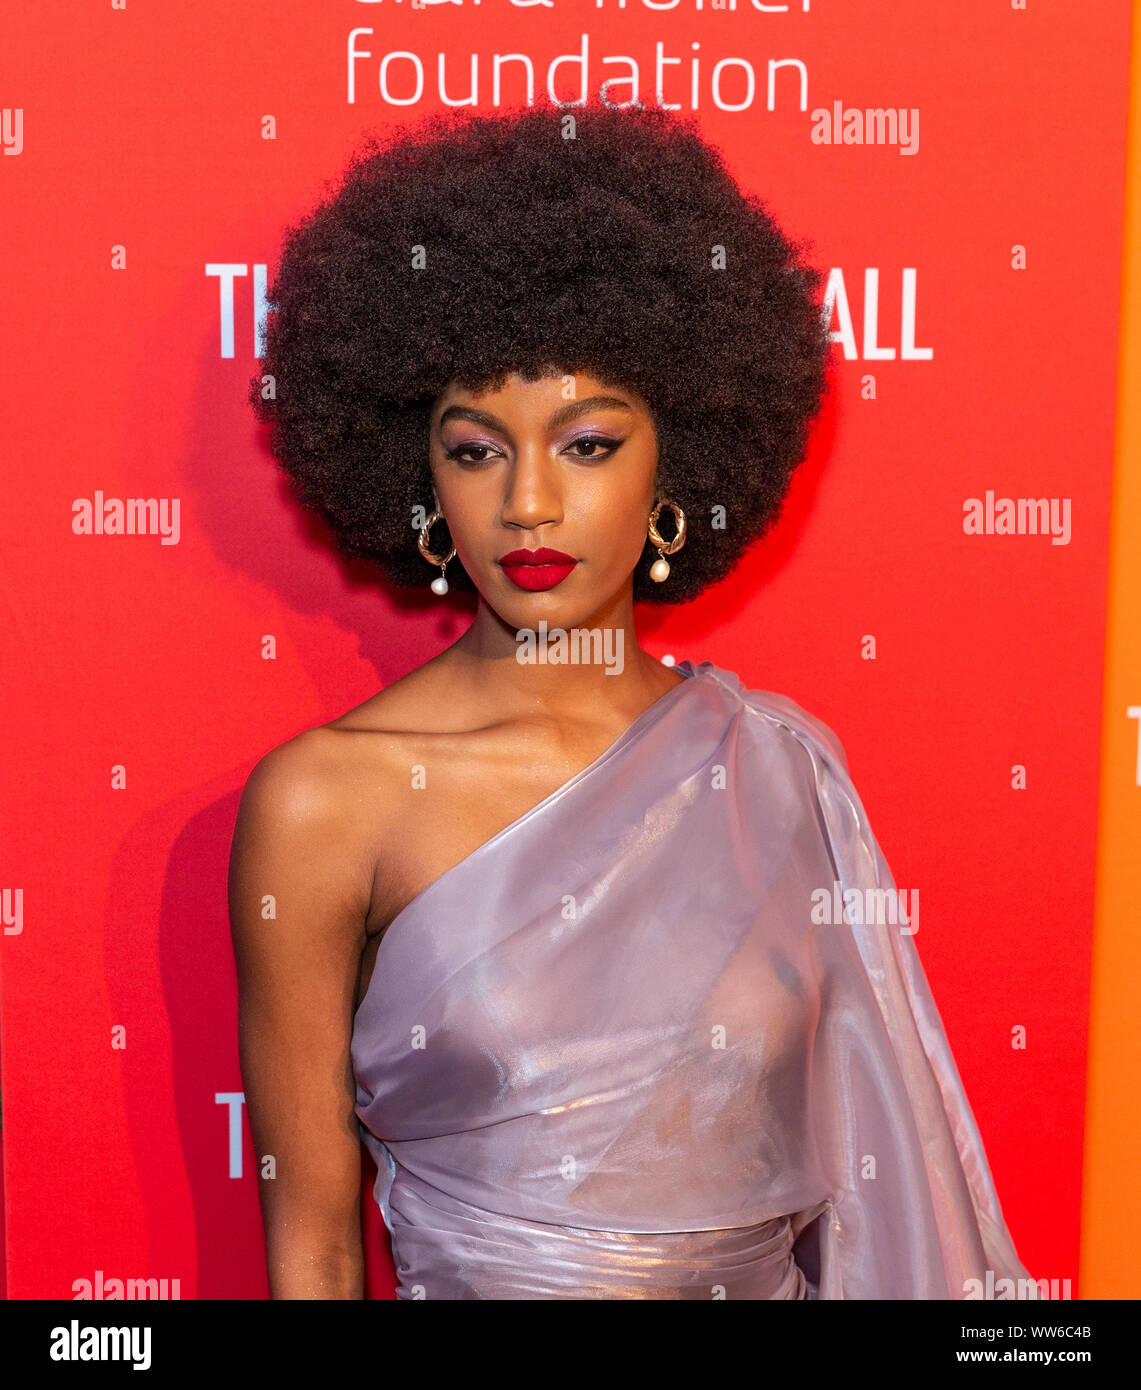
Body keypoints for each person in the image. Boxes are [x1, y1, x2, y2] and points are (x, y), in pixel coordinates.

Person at [229, 98, 1032, 1299]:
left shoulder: (781, 770)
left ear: (681, 460)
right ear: (415, 469)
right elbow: (315, 1252)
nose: (529, 506)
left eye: (588, 443)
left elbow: (881, 1194)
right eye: (475, 446)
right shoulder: (325, 801)